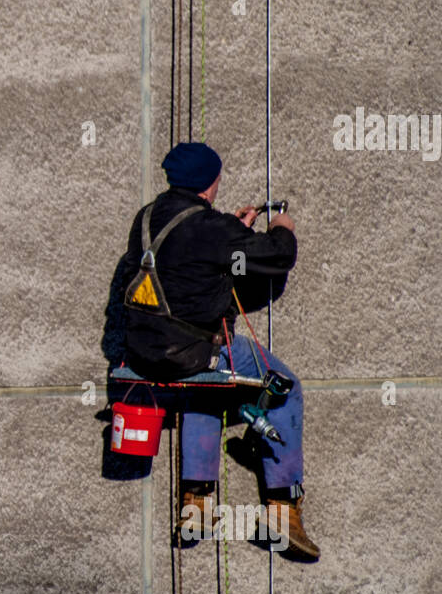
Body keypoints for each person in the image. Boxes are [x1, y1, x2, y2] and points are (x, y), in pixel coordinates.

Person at [119, 141, 319, 560]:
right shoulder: (209, 228)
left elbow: (198, 259)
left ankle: (198, 505)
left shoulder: (147, 218)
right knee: (284, 386)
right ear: (211, 182)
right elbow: (275, 259)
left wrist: (233, 232)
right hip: (192, 350)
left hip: (142, 351)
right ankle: (282, 511)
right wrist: (282, 227)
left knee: (202, 391)